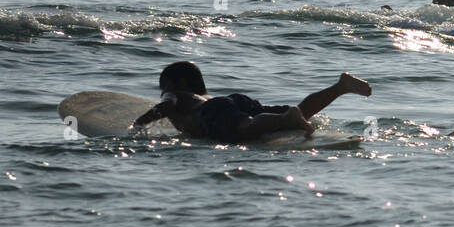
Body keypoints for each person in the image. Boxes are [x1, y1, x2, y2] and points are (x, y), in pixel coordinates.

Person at [130, 61, 372, 142]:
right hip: (231, 100)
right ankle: (339, 87)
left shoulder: (175, 95)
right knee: (296, 110)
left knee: (245, 127)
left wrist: (141, 122)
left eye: (163, 86)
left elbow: (167, 105)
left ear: (175, 83)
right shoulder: (199, 96)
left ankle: (286, 119)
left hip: (213, 113)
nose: (162, 91)